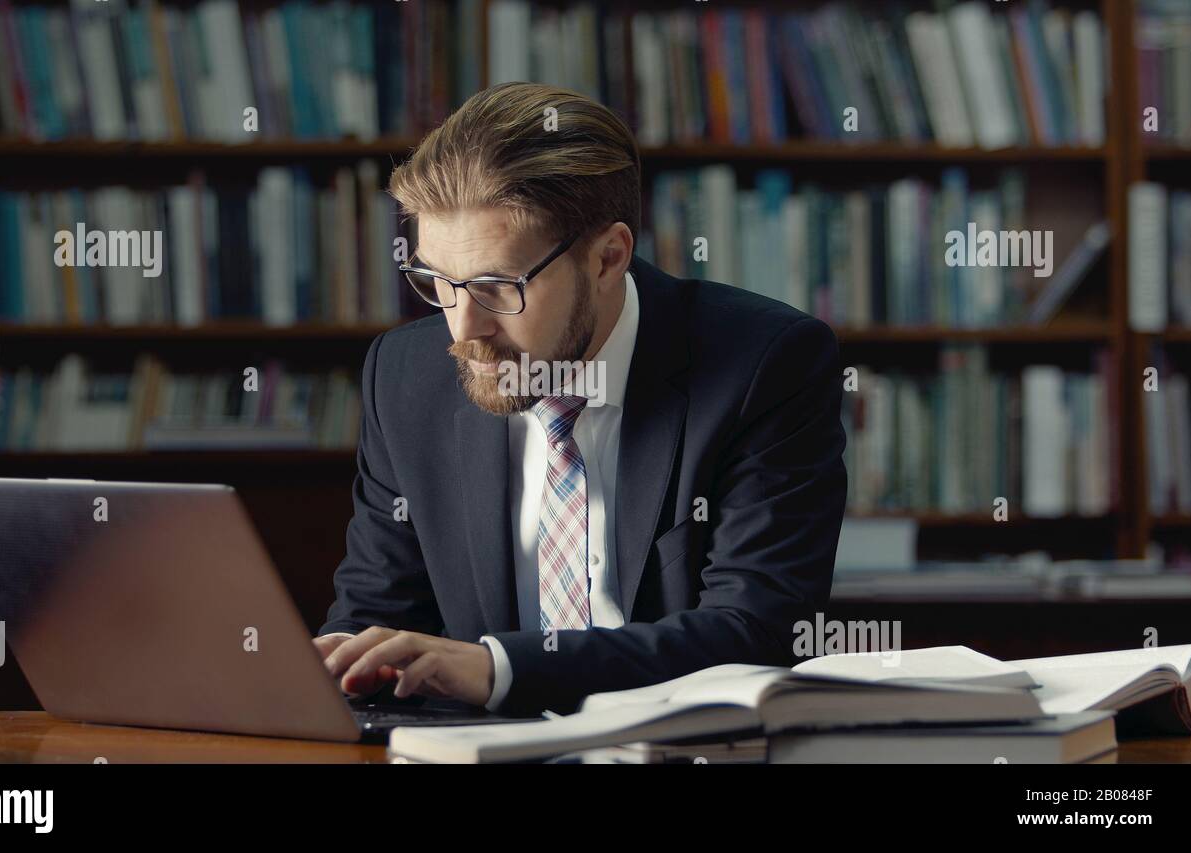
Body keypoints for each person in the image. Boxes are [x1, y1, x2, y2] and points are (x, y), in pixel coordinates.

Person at [313, 82, 847, 717]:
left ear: (607, 257)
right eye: (438, 281)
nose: (462, 329)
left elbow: (757, 635)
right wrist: (344, 663)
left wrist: (499, 668)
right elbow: (379, 613)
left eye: (497, 285)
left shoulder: (765, 365)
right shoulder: (403, 376)